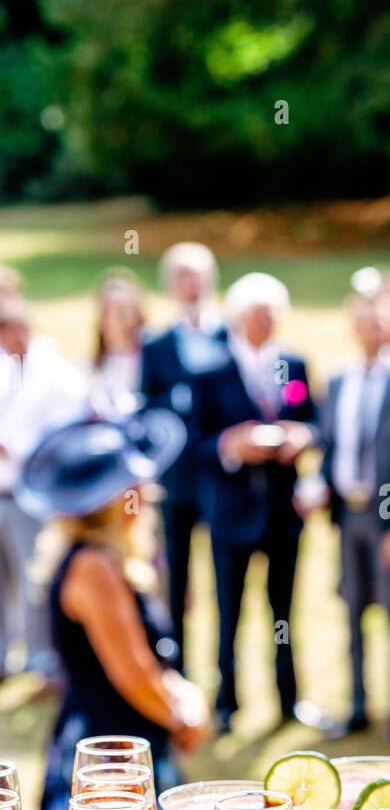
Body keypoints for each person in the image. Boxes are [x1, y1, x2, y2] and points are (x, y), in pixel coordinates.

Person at [16, 413, 211, 810]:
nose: (147, 493)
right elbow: (135, 674)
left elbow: (151, 660)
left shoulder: (104, 560)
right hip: (112, 760)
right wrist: (182, 716)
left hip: (120, 747)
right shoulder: (93, 569)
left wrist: (183, 694)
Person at [190, 273, 317, 734]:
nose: (264, 322)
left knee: (284, 612)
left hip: (283, 513)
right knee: (230, 612)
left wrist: (303, 436)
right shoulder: (212, 370)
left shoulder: (295, 364)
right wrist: (231, 443)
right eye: (256, 314)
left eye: (271, 314)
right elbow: (195, 441)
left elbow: (312, 420)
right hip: (231, 512)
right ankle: (227, 702)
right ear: (240, 318)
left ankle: (288, 699)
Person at [320, 294, 390, 738]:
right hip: (349, 514)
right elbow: (332, 445)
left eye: (377, 320)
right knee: (352, 615)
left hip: (388, 518)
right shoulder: (338, 380)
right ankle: (359, 704)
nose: (369, 328)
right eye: (361, 320)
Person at [139, 243, 225, 667]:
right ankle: (177, 666)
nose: (190, 285)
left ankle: (226, 676)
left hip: (223, 477)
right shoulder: (156, 345)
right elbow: (148, 407)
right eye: (181, 277)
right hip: (176, 480)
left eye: (196, 275)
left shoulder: (227, 334)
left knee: (226, 579)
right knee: (176, 575)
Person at [0, 291, 88, 681]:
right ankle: (6, 652)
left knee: (33, 577)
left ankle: (42, 655)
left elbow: (69, 425)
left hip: (30, 492)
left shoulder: (54, 372)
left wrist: (18, 448)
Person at [89, 273, 150, 417]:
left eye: (128, 310)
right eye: (116, 312)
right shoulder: (91, 368)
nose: (124, 319)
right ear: (102, 319)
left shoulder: (154, 361)